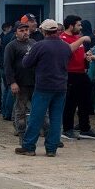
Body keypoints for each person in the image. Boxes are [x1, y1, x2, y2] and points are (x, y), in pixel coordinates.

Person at [15, 19, 72, 157]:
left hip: (43, 86)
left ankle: (29, 146)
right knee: (56, 117)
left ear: (44, 31)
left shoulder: (39, 45)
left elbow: (26, 63)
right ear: (56, 31)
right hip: (61, 87)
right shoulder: (65, 46)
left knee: (36, 116)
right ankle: (52, 149)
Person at [60, 15, 95, 140]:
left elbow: (78, 54)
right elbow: (69, 50)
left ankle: (85, 128)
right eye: (78, 25)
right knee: (70, 103)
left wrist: (86, 58)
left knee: (85, 102)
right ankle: (67, 129)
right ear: (71, 26)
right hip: (70, 74)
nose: (80, 27)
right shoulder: (63, 38)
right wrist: (82, 39)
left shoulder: (76, 37)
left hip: (81, 73)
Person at [5, 22, 37, 142]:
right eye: (21, 31)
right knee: (20, 111)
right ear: (16, 33)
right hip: (20, 83)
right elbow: (7, 66)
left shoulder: (34, 43)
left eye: (26, 30)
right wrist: (12, 82)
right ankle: (22, 136)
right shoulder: (11, 46)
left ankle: (45, 133)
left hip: (35, 82)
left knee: (40, 110)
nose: (25, 33)